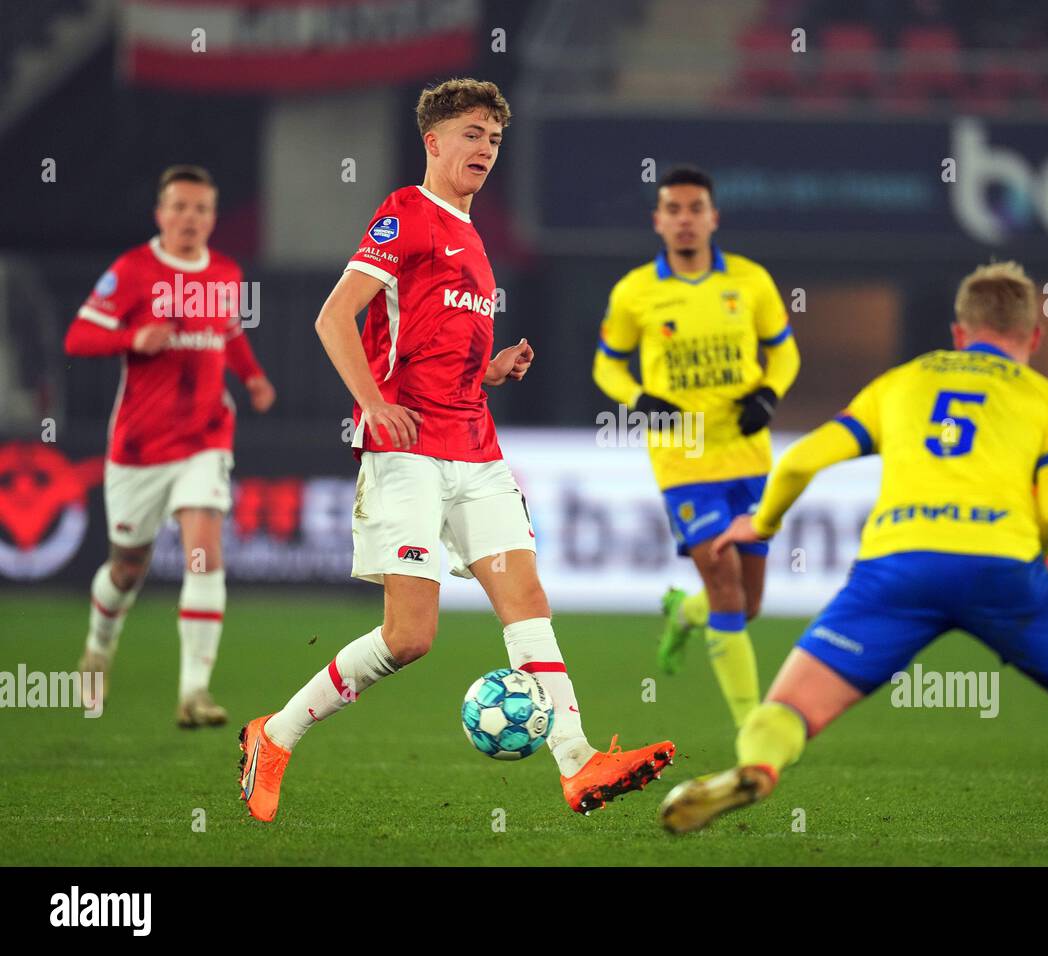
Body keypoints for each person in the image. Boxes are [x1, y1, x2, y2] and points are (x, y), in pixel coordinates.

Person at [658, 261, 1048, 867]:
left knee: (788, 708)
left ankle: (757, 768)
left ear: (959, 332)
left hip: (898, 567)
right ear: (1035, 337)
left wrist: (762, 523)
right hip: (1004, 569)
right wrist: (1038, 559)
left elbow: (801, 461)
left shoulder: (905, 382)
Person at [239, 78, 674, 822]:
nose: (485, 149)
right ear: (433, 142)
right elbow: (332, 317)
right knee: (411, 639)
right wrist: (374, 403)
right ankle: (274, 735)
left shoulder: (475, 240)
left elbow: (436, 353)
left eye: (495, 139)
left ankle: (577, 763)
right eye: (471, 134)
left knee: (527, 600)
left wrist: (490, 370)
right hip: (406, 453)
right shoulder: (405, 214)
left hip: (476, 448)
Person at [65, 164, 275, 728]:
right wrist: (131, 337)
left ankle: (194, 693)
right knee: (127, 566)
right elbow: (78, 335)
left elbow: (228, 333)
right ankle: (98, 649)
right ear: (161, 214)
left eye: (201, 209)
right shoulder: (133, 270)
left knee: (203, 551)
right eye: (179, 207)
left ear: (212, 216)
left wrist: (251, 377)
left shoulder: (226, 272)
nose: (190, 218)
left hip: (205, 436)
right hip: (138, 446)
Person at [592, 165, 799, 728]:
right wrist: (639, 398)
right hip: (682, 459)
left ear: (713, 218)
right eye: (674, 210)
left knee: (747, 603)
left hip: (749, 455)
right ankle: (752, 726)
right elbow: (606, 365)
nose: (685, 220)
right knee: (725, 583)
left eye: (695, 209)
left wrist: (769, 394)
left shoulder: (750, 282)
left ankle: (683, 614)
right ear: (658, 220)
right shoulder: (636, 292)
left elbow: (784, 353)